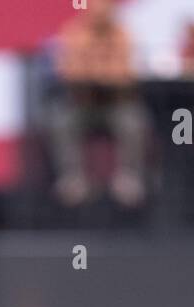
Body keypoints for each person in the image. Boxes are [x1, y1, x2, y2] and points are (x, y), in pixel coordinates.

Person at [46, 0, 149, 207]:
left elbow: (126, 74)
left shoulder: (122, 33)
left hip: (116, 105)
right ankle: (72, 178)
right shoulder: (74, 32)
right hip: (82, 105)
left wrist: (99, 74)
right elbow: (67, 71)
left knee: (134, 121)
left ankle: (129, 178)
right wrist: (97, 75)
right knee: (60, 120)